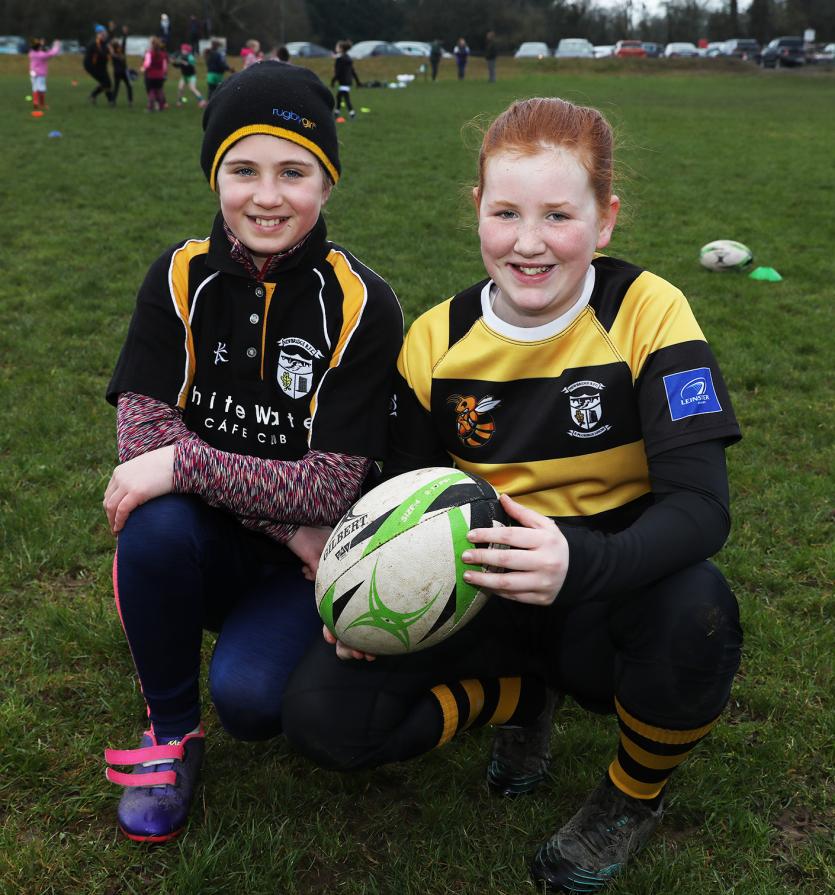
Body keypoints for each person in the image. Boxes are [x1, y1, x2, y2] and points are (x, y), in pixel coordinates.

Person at [282, 97, 743, 893]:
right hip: (480, 594)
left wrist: (578, 563)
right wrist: (359, 595)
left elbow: (701, 508)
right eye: (505, 213)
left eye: (558, 215)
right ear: (478, 211)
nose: (528, 243)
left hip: (606, 589)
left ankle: (630, 796)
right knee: (326, 719)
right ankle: (523, 702)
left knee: (696, 609)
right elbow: (400, 496)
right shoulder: (435, 339)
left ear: (604, 220)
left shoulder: (648, 311)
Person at [101, 61, 403, 844]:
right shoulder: (176, 277)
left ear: (327, 182)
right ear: (215, 175)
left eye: (293, 172)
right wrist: (281, 519)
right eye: (243, 170)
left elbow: (329, 487)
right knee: (152, 523)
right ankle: (169, 733)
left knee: (252, 702)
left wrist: (186, 464)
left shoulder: (363, 303)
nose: (267, 196)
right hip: (240, 541)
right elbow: (143, 446)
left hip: (314, 565)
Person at [28, 37, 60, 112]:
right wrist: (56, 45)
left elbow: (37, 47)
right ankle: (42, 104)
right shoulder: (42, 55)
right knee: (41, 88)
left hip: (33, 73)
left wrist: (40, 44)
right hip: (40, 73)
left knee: (35, 88)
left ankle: (35, 102)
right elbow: (53, 53)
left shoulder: (31, 53)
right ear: (39, 47)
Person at [331, 40, 362, 119]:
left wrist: (333, 81)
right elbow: (353, 71)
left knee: (345, 97)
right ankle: (336, 112)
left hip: (343, 81)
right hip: (348, 81)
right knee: (339, 96)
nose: (336, 48)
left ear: (341, 48)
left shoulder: (340, 59)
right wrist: (358, 82)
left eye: (337, 47)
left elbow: (338, 72)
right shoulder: (348, 58)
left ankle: (352, 113)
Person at [84, 25, 113, 105]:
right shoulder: (95, 43)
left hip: (101, 65)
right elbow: (102, 54)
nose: (105, 34)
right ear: (98, 34)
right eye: (103, 33)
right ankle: (110, 100)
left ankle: (94, 95)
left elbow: (107, 52)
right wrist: (110, 52)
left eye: (105, 33)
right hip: (92, 66)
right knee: (105, 82)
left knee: (107, 83)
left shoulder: (104, 42)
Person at [172, 43, 206, 107]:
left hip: (191, 76)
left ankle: (202, 101)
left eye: (184, 49)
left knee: (192, 88)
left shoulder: (190, 57)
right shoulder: (181, 56)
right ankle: (179, 101)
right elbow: (178, 65)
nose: (182, 51)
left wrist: (185, 63)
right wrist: (174, 63)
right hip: (184, 76)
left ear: (187, 51)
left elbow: (191, 65)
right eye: (182, 49)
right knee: (180, 88)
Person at [141, 36, 169, 111]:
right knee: (160, 90)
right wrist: (164, 73)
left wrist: (143, 68)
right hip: (160, 75)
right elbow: (164, 66)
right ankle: (161, 107)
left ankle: (150, 107)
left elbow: (147, 63)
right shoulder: (162, 54)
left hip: (151, 75)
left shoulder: (149, 53)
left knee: (151, 91)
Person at [110, 39, 133, 106]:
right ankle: (130, 101)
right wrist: (125, 36)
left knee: (117, 87)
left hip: (117, 72)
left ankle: (113, 101)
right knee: (128, 86)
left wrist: (125, 36)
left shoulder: (114, 54)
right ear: (117, 47)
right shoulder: (118, 54)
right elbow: (123, 44)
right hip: (123, 72)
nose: (120, 47)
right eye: (119, 46)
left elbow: (123, 44)